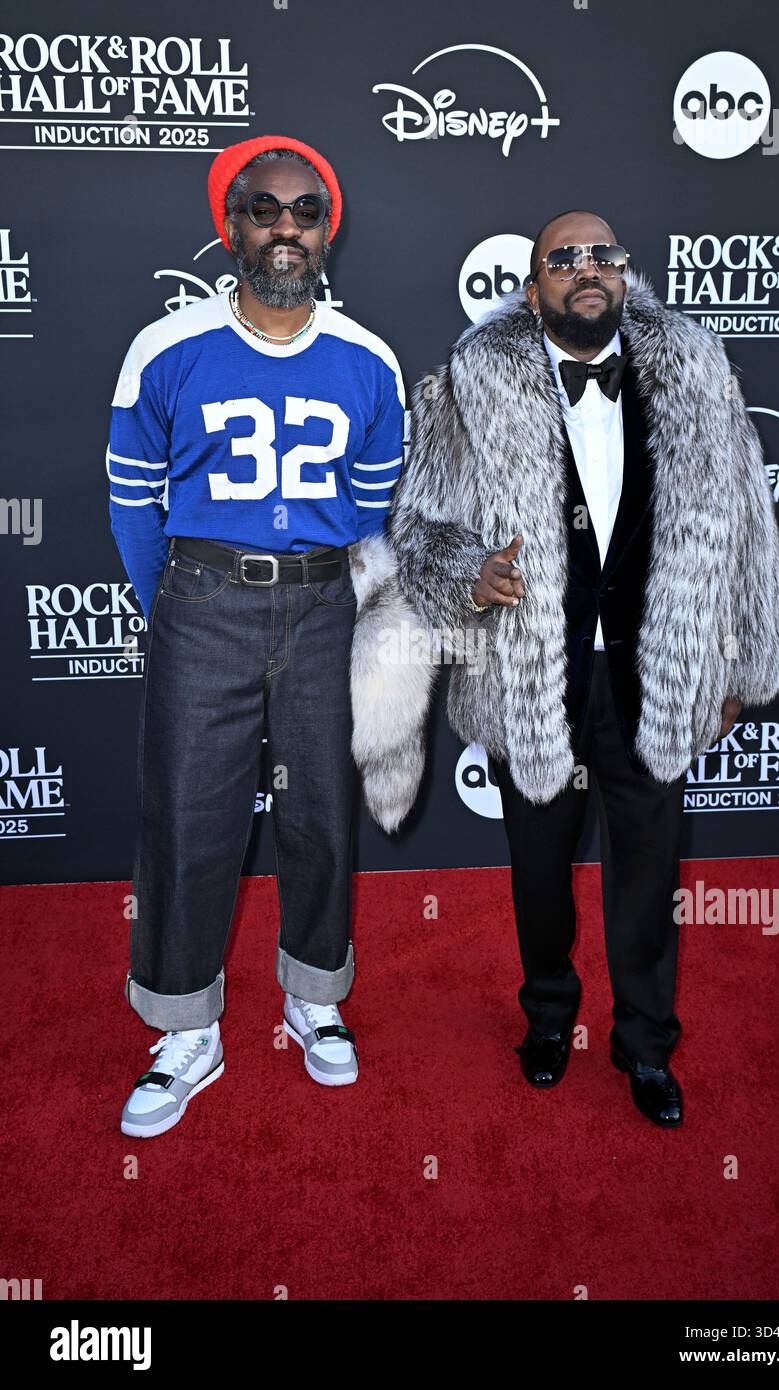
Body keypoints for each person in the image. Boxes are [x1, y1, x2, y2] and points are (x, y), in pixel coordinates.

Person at [389, 210, 779, 1127]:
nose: (585, 268)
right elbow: (417, 530)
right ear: (533, 290)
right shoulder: (471, 384)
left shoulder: (694, 370)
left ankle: (646, 1046)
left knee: (648, 874)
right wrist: (466, 574)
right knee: (538, 871)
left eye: (601, 253)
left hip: (659, 674)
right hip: (534, 676)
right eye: (562, 259)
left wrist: (738, 660)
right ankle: (547, 1018)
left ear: (625, 271)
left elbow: (747, 528)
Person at [108, 135, 428, 1137]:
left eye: (305, 210)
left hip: (326, 602)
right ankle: (184, 1027)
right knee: (186, 815)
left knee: (323, 813)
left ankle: (314, 994)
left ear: (327, 230)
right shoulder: (166, 349)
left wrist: (333, 583)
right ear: (230, 224)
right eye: (264, 208)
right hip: (202, 600)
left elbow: (374, 500)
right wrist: (176, 601)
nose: (285, 226)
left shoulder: (368, 357)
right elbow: (131, 498)